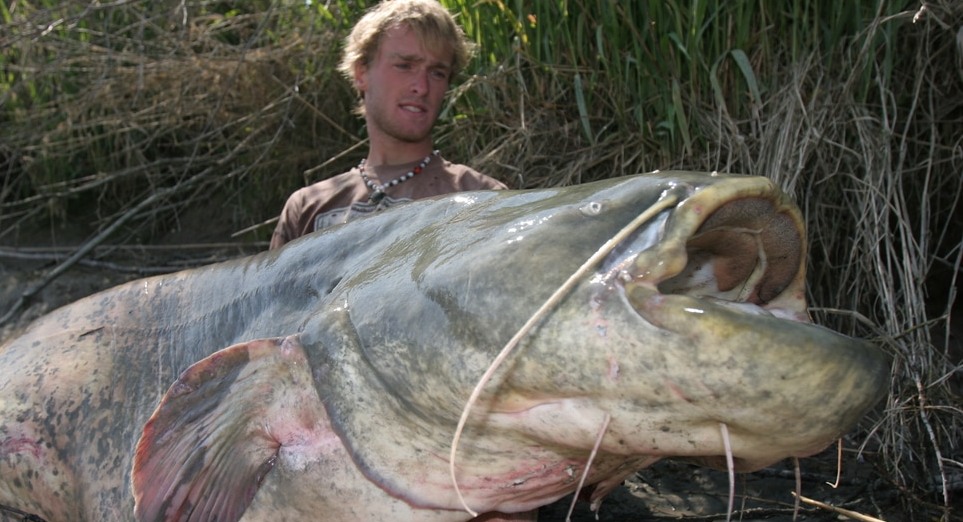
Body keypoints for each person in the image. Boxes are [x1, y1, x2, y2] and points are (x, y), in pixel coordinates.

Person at [270, 0, 507, 250]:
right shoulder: (308, 208)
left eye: (437, 72)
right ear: (362, 73)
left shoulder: (481, 198)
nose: (422, 87)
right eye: (405, 66)